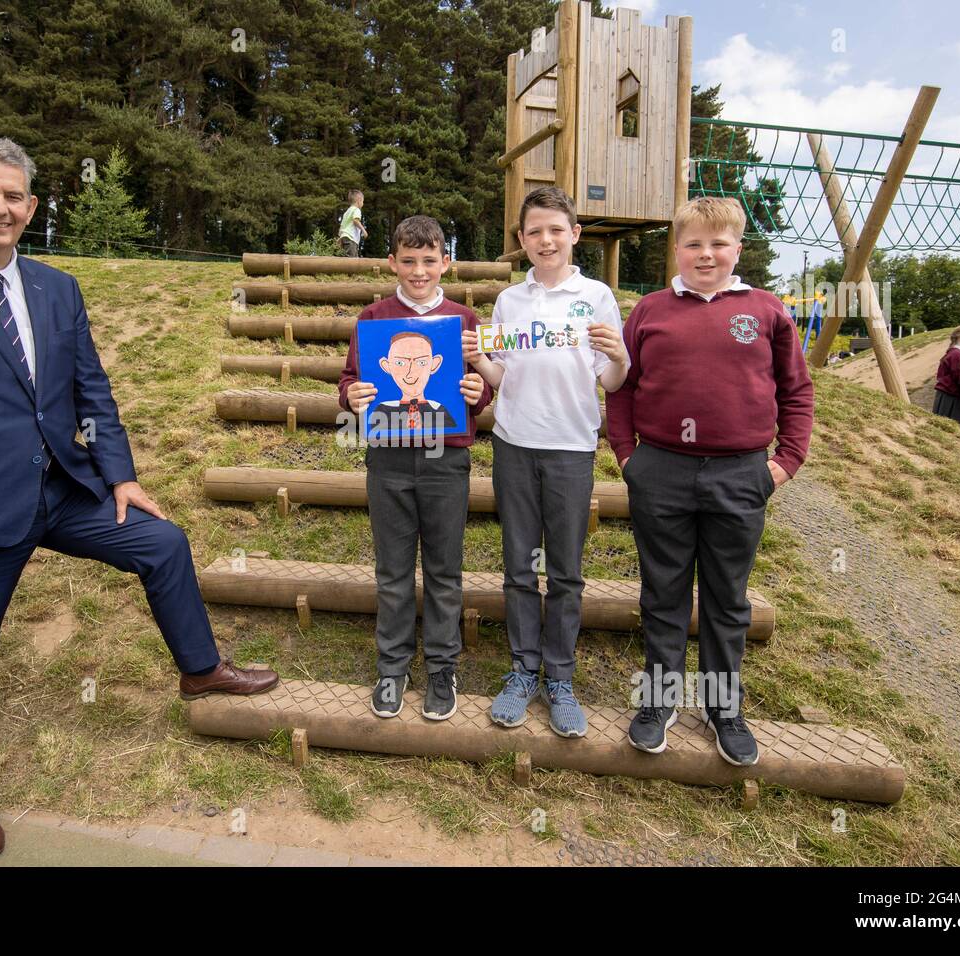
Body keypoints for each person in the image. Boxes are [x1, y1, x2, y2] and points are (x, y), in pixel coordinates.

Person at [0, 131, 277, 862]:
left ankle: (200, 670)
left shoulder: (57, 287)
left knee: (163, 543)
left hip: (60, 489)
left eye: (13, 195)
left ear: (32, 205)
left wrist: (121, 476)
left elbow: (91, 391)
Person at [608, 196, 814, 767]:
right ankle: (661, 701)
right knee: (664, 592)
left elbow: (796, 390)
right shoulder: (649, 310)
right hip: (662, 472)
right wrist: (629, 457)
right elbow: (622, 387)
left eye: (719, 244)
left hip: (741, 474)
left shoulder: (767, 309)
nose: (706, 254)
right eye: (694, 244)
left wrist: (784, 462)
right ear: (676, 249)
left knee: (727, 598)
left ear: (737, 249)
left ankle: (724, 707)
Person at [463, 185, 629, 738]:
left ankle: (560, 677)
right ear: (521, 240)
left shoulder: (599, 296)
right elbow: (503, 377)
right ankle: (522, 669)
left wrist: (621, 357)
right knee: (517, 567)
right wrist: (480, 360)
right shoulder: (510, 301)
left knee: (565, 571)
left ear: (575, 235)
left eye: (556, 229)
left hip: (572, 449)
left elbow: (612, 381)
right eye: (534, 231)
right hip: (513, 444)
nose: (546, 239)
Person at [337, 215, 491, 720]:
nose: (419, 271)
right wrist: (353, 397)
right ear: (392, 262)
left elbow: (480, 386)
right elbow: (350, 380)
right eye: (409, 261)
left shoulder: (465, 320)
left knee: (445, 570)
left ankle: (442, 668)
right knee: (393, 569)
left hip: (446, 459)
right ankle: (393, 666)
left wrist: (479, 392)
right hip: (389, 460)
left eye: (430, 261)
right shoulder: (373, 317)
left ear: (446, 262)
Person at [932, 325, 960, 426]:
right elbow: (959, 376)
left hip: (950, 394)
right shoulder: (957, 354)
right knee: (949, 425)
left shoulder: (955, 353)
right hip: (951, 395)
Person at [338, 189, 367, 257]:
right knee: (352, 260)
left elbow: (342, 226)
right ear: (359, 201)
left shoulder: (347, 212)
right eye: (363, 201)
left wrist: (339, 238)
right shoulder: (356, 210)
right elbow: (356, 221)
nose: (363, 203)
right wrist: (363, 230)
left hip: (344, 237)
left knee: (348, 258)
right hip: (351, 237)